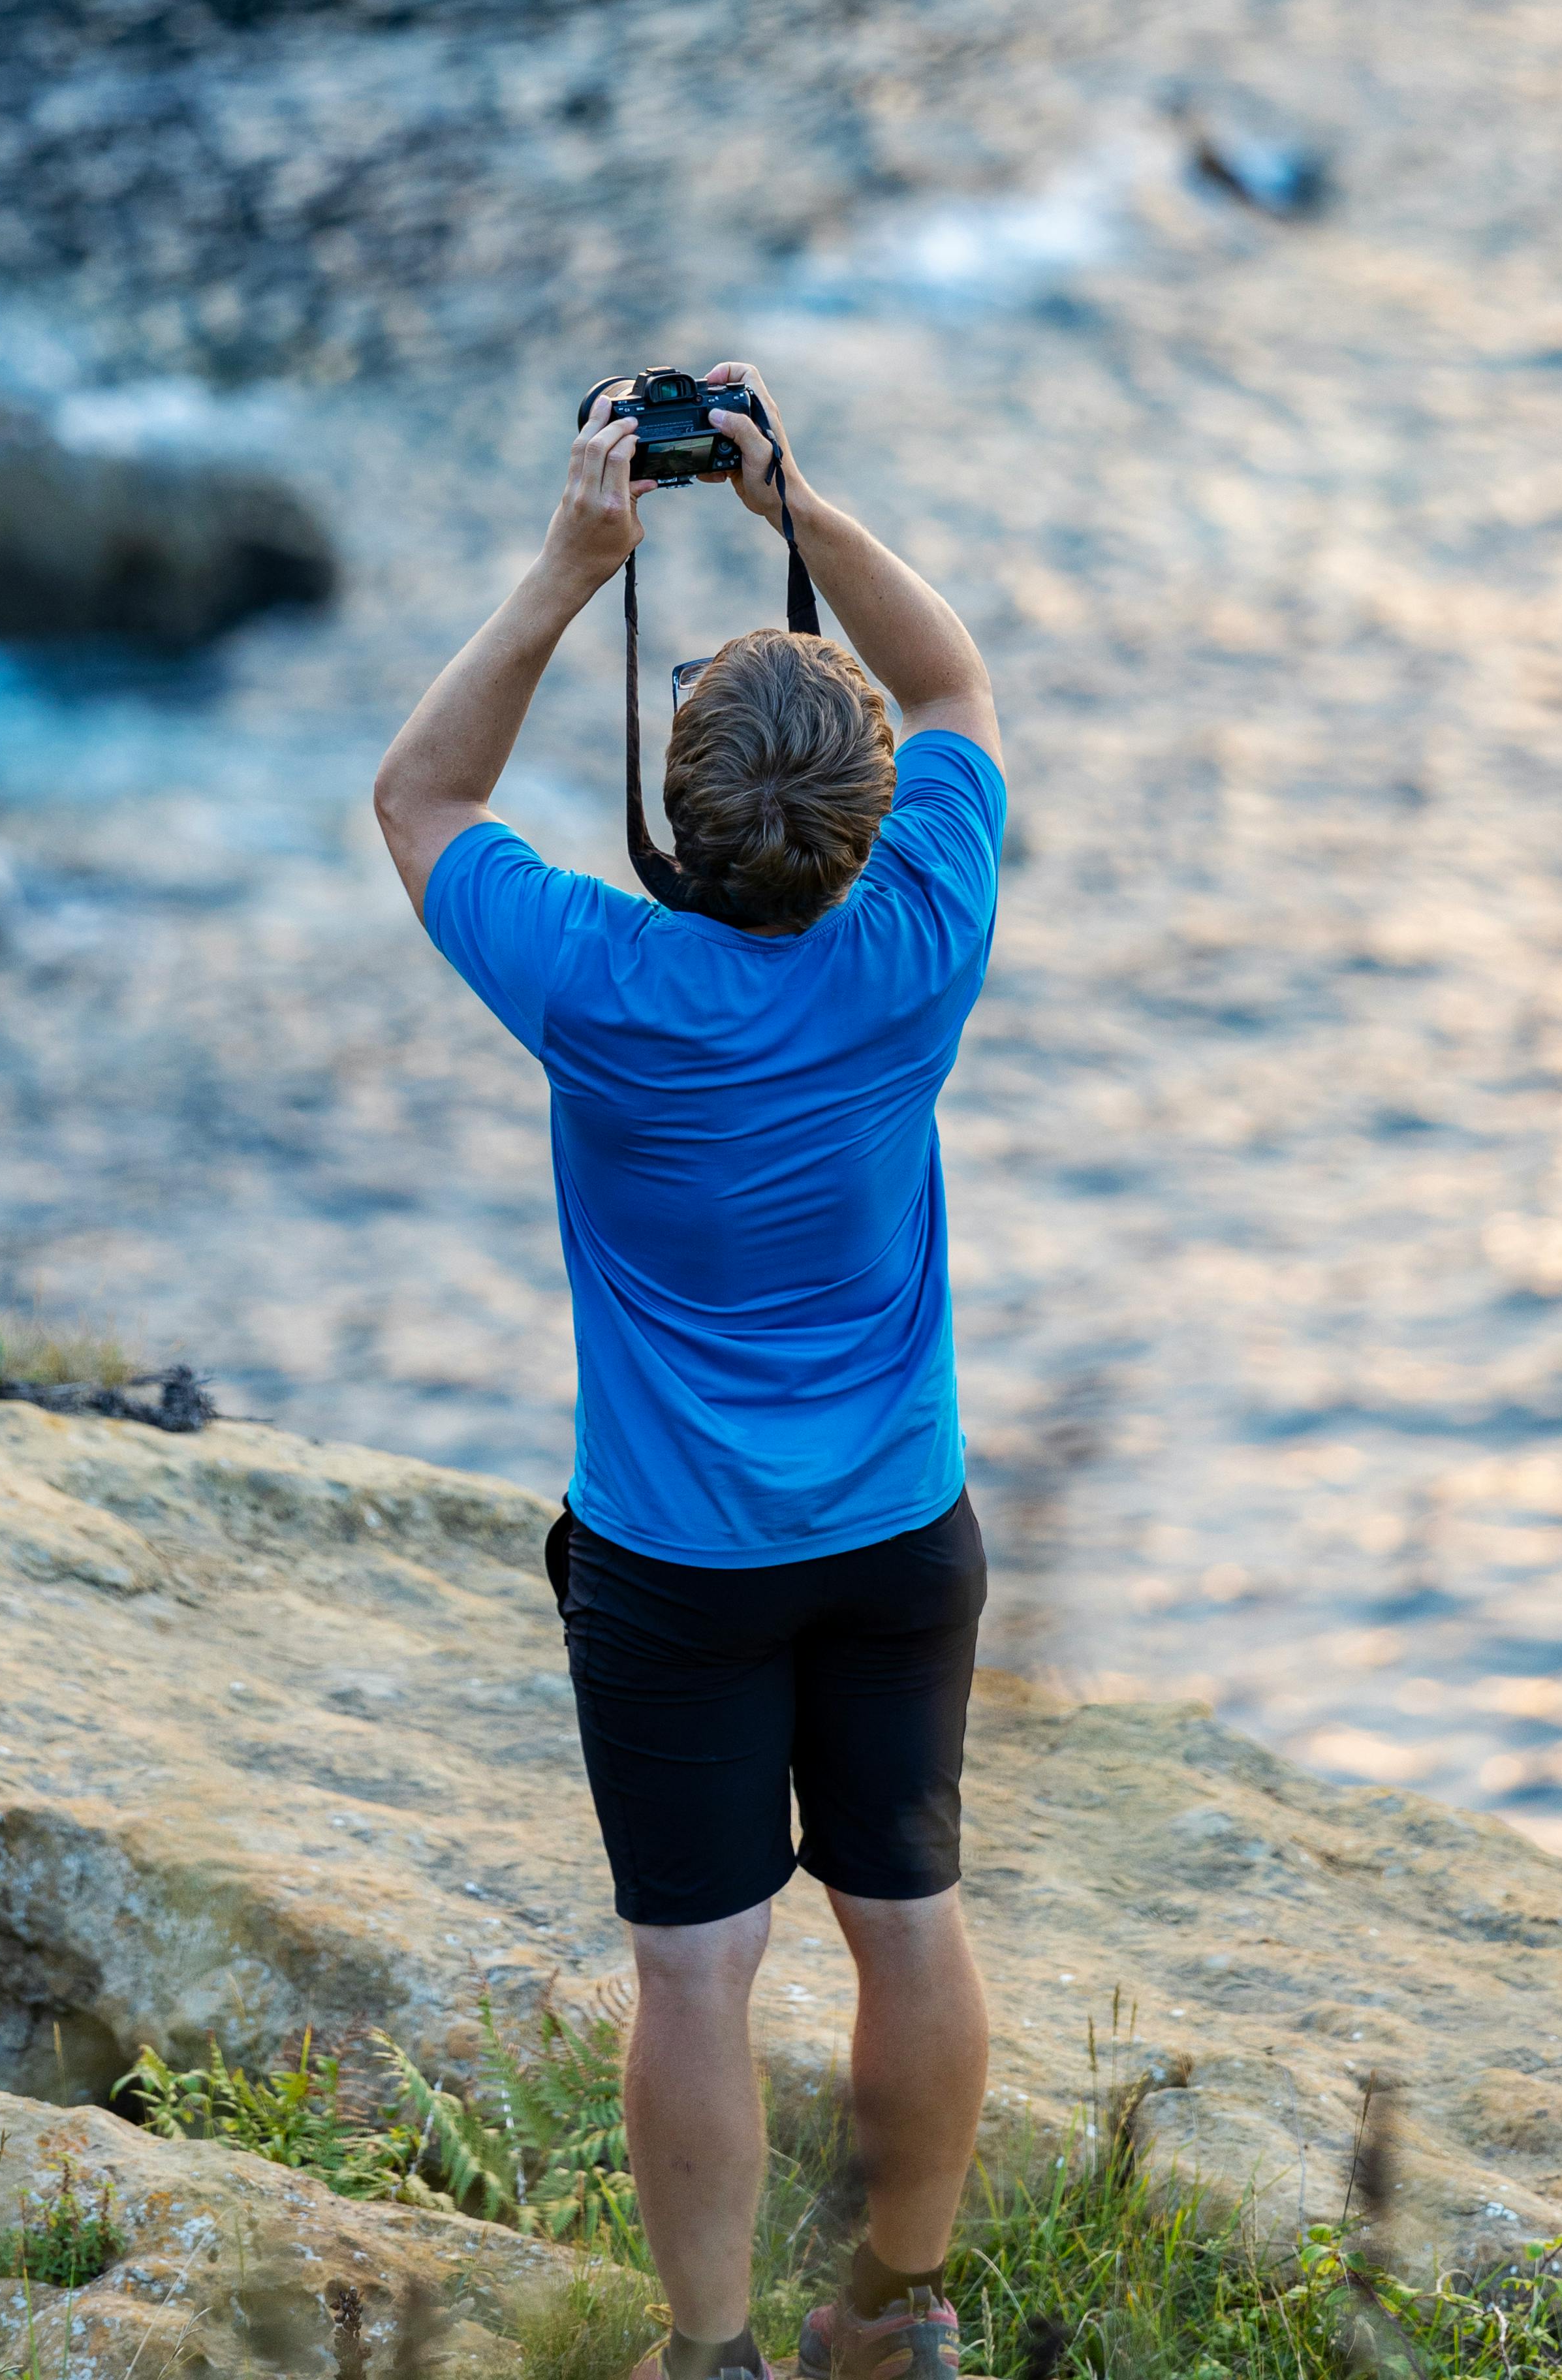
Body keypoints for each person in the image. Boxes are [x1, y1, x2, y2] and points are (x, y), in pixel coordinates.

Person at [373, 365, 1007, 2380]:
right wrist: (791, 503)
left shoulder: (603, 980)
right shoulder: (921, 923)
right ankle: (895, 2320)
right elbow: (961, 684)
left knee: (700, 1966)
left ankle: (718, 2355)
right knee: (905, 1916)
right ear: (867, 820)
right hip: (901, 1525)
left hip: (674, 1566)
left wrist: (578, 566)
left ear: (674, 804)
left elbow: (422, 798)